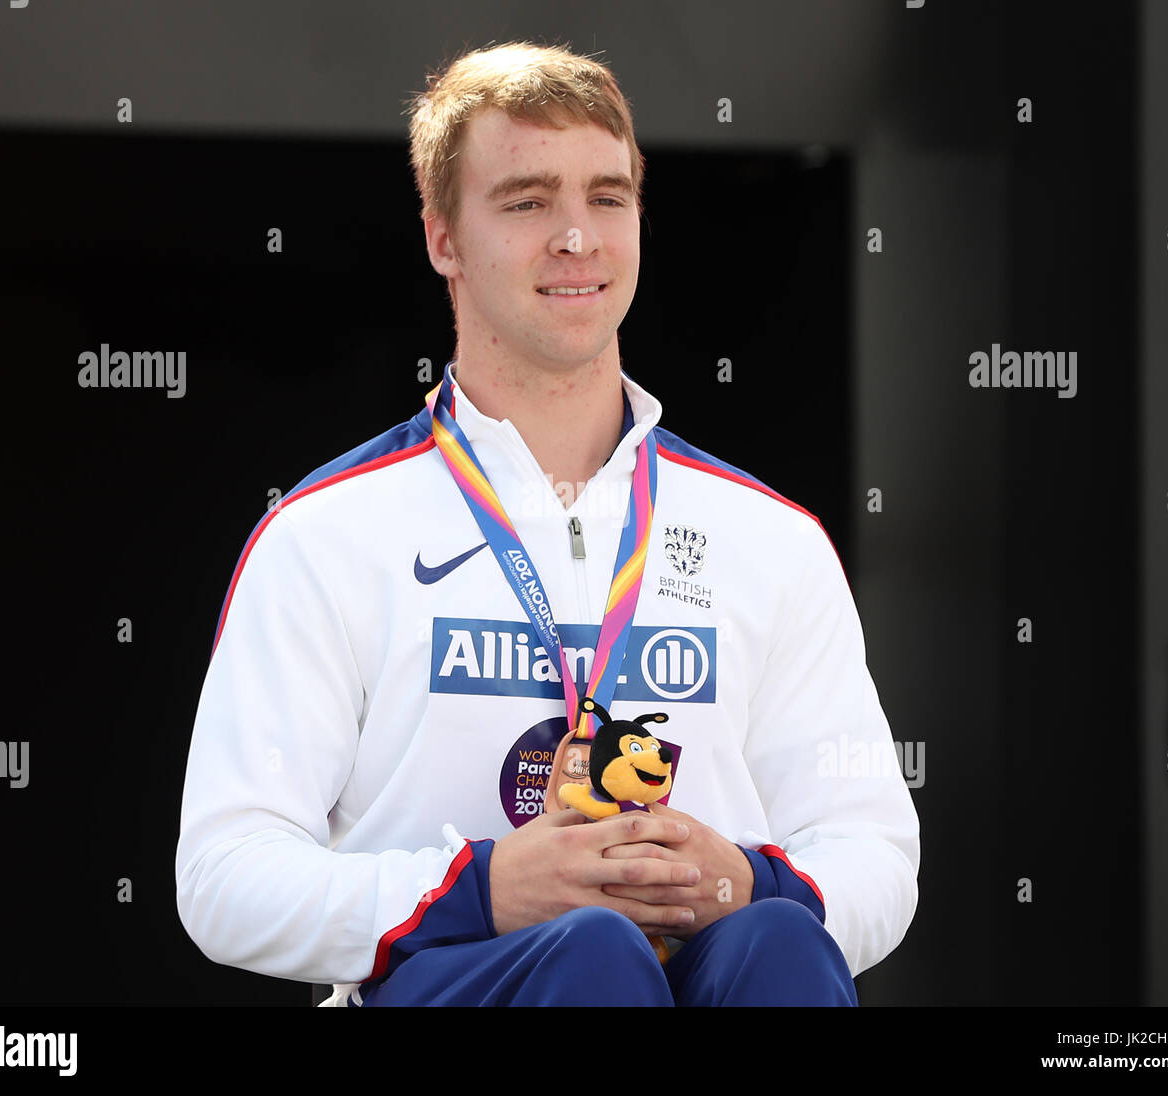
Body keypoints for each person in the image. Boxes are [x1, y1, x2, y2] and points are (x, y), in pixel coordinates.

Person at [174, 41, 920, 1007]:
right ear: (444, 239)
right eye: (527, 202)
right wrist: (483, 891)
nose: (577, 237)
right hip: (456, 982)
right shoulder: (326, 532)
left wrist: (738, 879)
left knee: (778, 936)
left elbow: (874, 852)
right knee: (590, 956)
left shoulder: (769, 537)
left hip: (712, 975)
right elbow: (225, 876)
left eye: (607, 198)